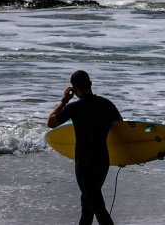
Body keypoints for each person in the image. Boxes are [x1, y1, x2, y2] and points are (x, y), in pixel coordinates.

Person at [47, 70, 124, 225]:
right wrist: (123, 156)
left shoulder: (75, 107)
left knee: (97, 206)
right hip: (102, 161)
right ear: (90, 84)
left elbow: (51, 122)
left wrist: (64, 100)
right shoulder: (107, 104)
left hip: (85, 163)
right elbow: (121, 129)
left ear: (74, 89)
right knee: (88, 205)